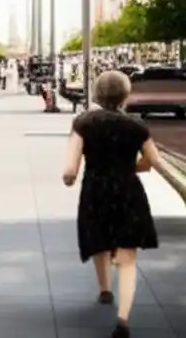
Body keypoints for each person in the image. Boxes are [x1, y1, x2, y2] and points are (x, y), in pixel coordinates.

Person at [63, 70, 164, 338]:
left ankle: (105, 289)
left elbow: (70, 169)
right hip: (128, 190)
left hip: (96, 189)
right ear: (125, 94)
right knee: (127, 256)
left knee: (100, 239)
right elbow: (152, 161)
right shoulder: (136, 126)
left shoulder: (83, 122)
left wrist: (70, 178)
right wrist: (131, 166)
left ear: (97, 93)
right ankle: (123, 317)